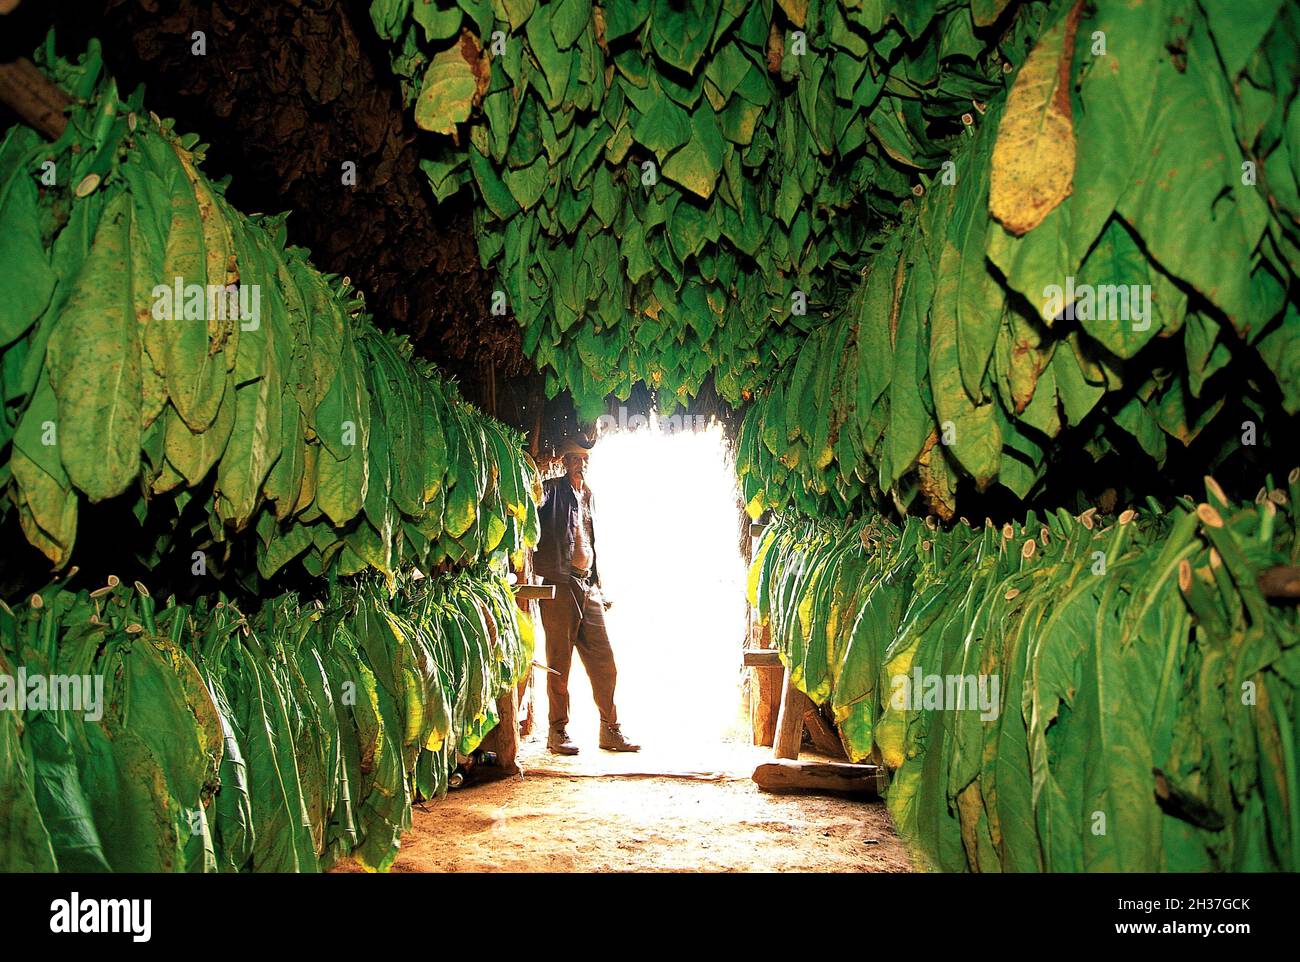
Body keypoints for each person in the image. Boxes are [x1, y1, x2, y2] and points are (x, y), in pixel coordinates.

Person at [533, 438, 640, 755]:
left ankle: (610, 730)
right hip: (559, 584)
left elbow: (590, 543)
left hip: (588, 585)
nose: (581, 462)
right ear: (564, 461)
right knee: (558, 664)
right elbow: (531, 498)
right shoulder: (551, 490)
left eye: (585, 457)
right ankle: (557, 732)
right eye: (576, 458)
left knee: (604, 663)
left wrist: (598, 584)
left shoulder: (588, 495)